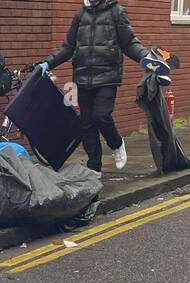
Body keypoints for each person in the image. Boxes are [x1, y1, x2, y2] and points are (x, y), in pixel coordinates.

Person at [38, 0, 148, 173]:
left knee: (101, 115)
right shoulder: (80, 14)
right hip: (82, 77)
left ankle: (116, 143)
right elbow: (68, 47)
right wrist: (47, 63)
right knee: (87, 124)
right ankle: (94, 168)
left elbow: (129, 43)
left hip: (107, 76)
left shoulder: (116, 12)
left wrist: (145, 58)